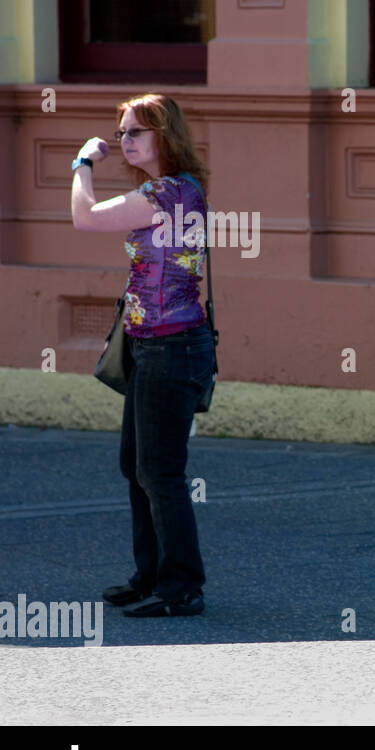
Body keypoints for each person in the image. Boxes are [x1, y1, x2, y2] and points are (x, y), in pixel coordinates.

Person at [71, 94, 214, 617]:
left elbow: (84, 217)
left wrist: (83, 163)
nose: (124, 140)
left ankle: (182, 589)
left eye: (135, 132)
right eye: (121, 131)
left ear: (164, 137)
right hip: (154, 345)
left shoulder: (167, 192)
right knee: (138, 465)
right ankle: (149, 575)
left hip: (169, 348)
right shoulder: (177, 189)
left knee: (160, 471)